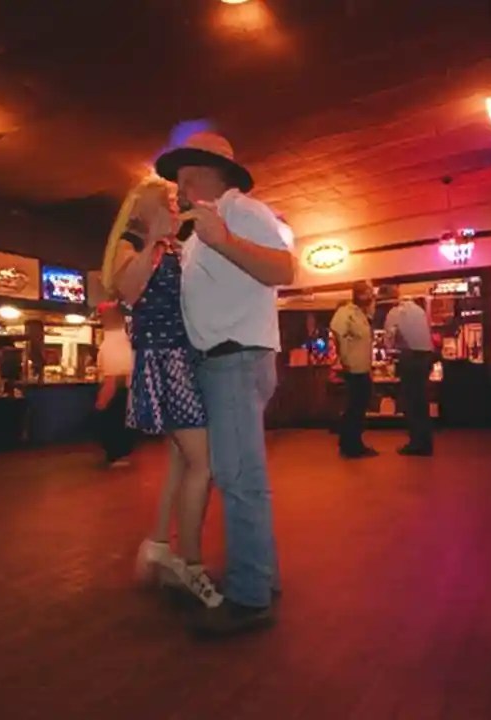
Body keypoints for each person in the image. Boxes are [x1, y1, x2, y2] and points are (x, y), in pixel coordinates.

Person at [155, 132, 294, 636]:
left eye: (187, 174)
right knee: (240, 476)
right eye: (177, 178)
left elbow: (286, 268)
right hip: (220, 359)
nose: (179, 185)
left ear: (216, 174)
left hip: (235, 356)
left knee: (238, 480)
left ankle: (251, 597)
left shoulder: (242, 210)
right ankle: (262, 577)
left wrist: (223, 239)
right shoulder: (197, 234)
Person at [101, 177, 222, 609]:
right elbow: (127, 290)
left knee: (179, 460)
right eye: (168, 200)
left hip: (181, 357)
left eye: (175, 201)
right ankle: (190, 565)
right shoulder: (136, 244)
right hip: (165, 361)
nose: (176, 205)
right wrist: (153, 239)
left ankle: (159, 545)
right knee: (202, 462)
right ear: (146, 208)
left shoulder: (169, 248)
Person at [384, 285, 436, 456]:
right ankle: (425, 441)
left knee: (411, 401)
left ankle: (416, 443)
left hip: (410, 356)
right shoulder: (418, 309)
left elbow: (389, 339)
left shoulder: (394, 313)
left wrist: (390, 349)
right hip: (426, 356)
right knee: (421, 401)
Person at [329, 282, 377, 458]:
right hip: (353, 367)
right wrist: (343, 357)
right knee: (355, 407)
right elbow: (336, 332)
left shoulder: (360, 314)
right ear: (358, 294)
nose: (371, 296)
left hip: (362, 367)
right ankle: (351, 446)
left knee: (358, 407)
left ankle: (352, 443)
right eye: (368, 293)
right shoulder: (346, 312)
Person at [95, 301, 136, 468]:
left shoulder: (112, 343)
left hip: (117, 395)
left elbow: (114, 378)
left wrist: (102, 402)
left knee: (112, 425)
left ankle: (117, 455)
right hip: (125, 393)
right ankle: (119, 454)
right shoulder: (124, 340)